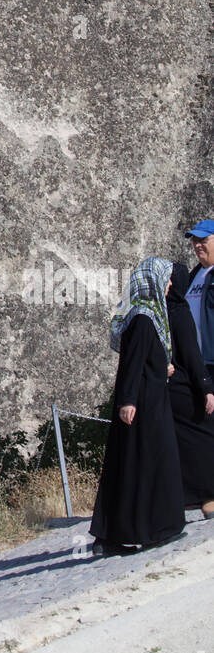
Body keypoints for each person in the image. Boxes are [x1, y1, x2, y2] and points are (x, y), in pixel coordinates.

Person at [90, 256, 185, 554]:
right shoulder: (144, 317)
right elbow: (131, 364)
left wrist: (162, 368)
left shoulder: (145, 314)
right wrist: (128, 401)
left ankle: (117, 536)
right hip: (145, 405)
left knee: (133, 465)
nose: (170, 284)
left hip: (147, 399)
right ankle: (155, 530)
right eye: (166, 279)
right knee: (152, 466)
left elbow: (146, 357)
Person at [166, 262, 214, 518]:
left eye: (202, 239)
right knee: (204, 434)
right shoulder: (179, 308)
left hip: (187, 375)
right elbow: (189, 351)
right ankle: (207, 497)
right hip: (190, 376)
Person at [183, 219, 214, 380]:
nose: (197, 245)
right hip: (194, 362)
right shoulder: (193, 275)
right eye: (195, 241)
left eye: (203, 240)